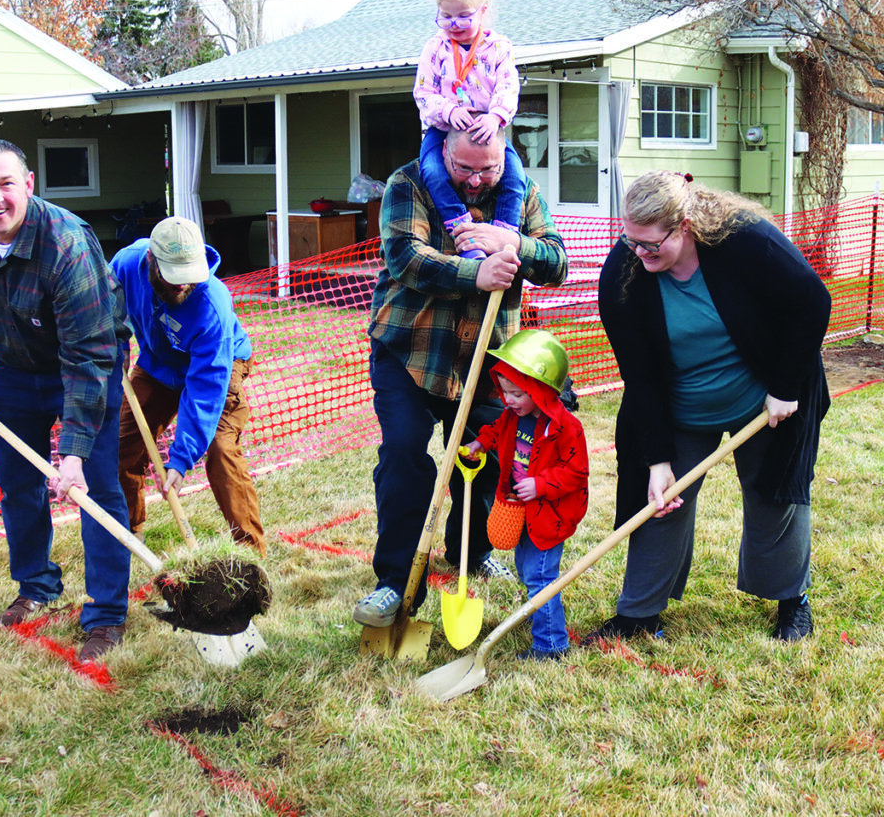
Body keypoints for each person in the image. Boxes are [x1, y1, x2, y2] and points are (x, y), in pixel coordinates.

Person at [584, 170, 831, 645]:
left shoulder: (744, 240)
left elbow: (812, 303)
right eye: (630, 241)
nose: (637, 254)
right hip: (679, 405)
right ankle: (638, 615)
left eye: (650, 246)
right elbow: (639, 374)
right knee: (660, 501)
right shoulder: (624, 272)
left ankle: (791, 602)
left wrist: (784, 387)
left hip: (763, 395)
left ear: (685, 227)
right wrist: (658, 461)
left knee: (773, 490)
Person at [0, 139, 132, 663]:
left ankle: (106, 614)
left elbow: (87, 359)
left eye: (7, 184)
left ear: (29, 185)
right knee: (18, 482)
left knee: (96, 488)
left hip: (86, 365)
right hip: (14, 366)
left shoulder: (66, 245)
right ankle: (37, 584)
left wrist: (74, 454)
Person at [352, 123, 569, 628]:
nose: (475, 180)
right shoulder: (409, 184)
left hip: (489, 358)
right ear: (442, 149)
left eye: (488, 168)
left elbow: (556, 262)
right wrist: (475, 272)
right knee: (405, 455)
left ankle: (468, 554)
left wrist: (513, 242)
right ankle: (395, 582)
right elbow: (406, 258)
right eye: (464, 168)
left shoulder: (523, 193)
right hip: (411, 351)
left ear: (505, 155)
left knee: (488, 459)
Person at [110, 217, 265, 556]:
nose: (182, 286)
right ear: (151, 260)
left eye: (189, 275)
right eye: (173, 276)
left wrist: (180, 460)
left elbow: (205, 389)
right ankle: (129, 534)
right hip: (158, 362)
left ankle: (250, 554)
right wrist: (119, 346)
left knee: (221, 451)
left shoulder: (212, 305)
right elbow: (108, 308)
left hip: (222, 364)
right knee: (121, 444)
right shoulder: (125, 264)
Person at [462, 329, 589, 660]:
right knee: (525, 568)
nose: (510, 400)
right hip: (520, 509)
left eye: (518, 393)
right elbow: (496, 429)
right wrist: (479, 443)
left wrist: (541, 485)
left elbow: (577, 473)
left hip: (548, 515)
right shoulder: (513, 416)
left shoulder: (566, 428)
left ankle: (550, 645)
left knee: (541, 577)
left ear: (542, 389)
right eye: (505, 392)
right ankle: (536, 615)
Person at [413, 0, 526, 261]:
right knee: (433, 172)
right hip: (443, 130)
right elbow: (423, 92)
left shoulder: (499, 47)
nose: (454, 24)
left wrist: (496, 116)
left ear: (482, 10)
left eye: (463, 15)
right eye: (446, 17)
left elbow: (508, 85)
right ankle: (466, 234)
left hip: (488, 130)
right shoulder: (435, 48)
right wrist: (448, 111)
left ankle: (503, 235)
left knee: (515, 175)